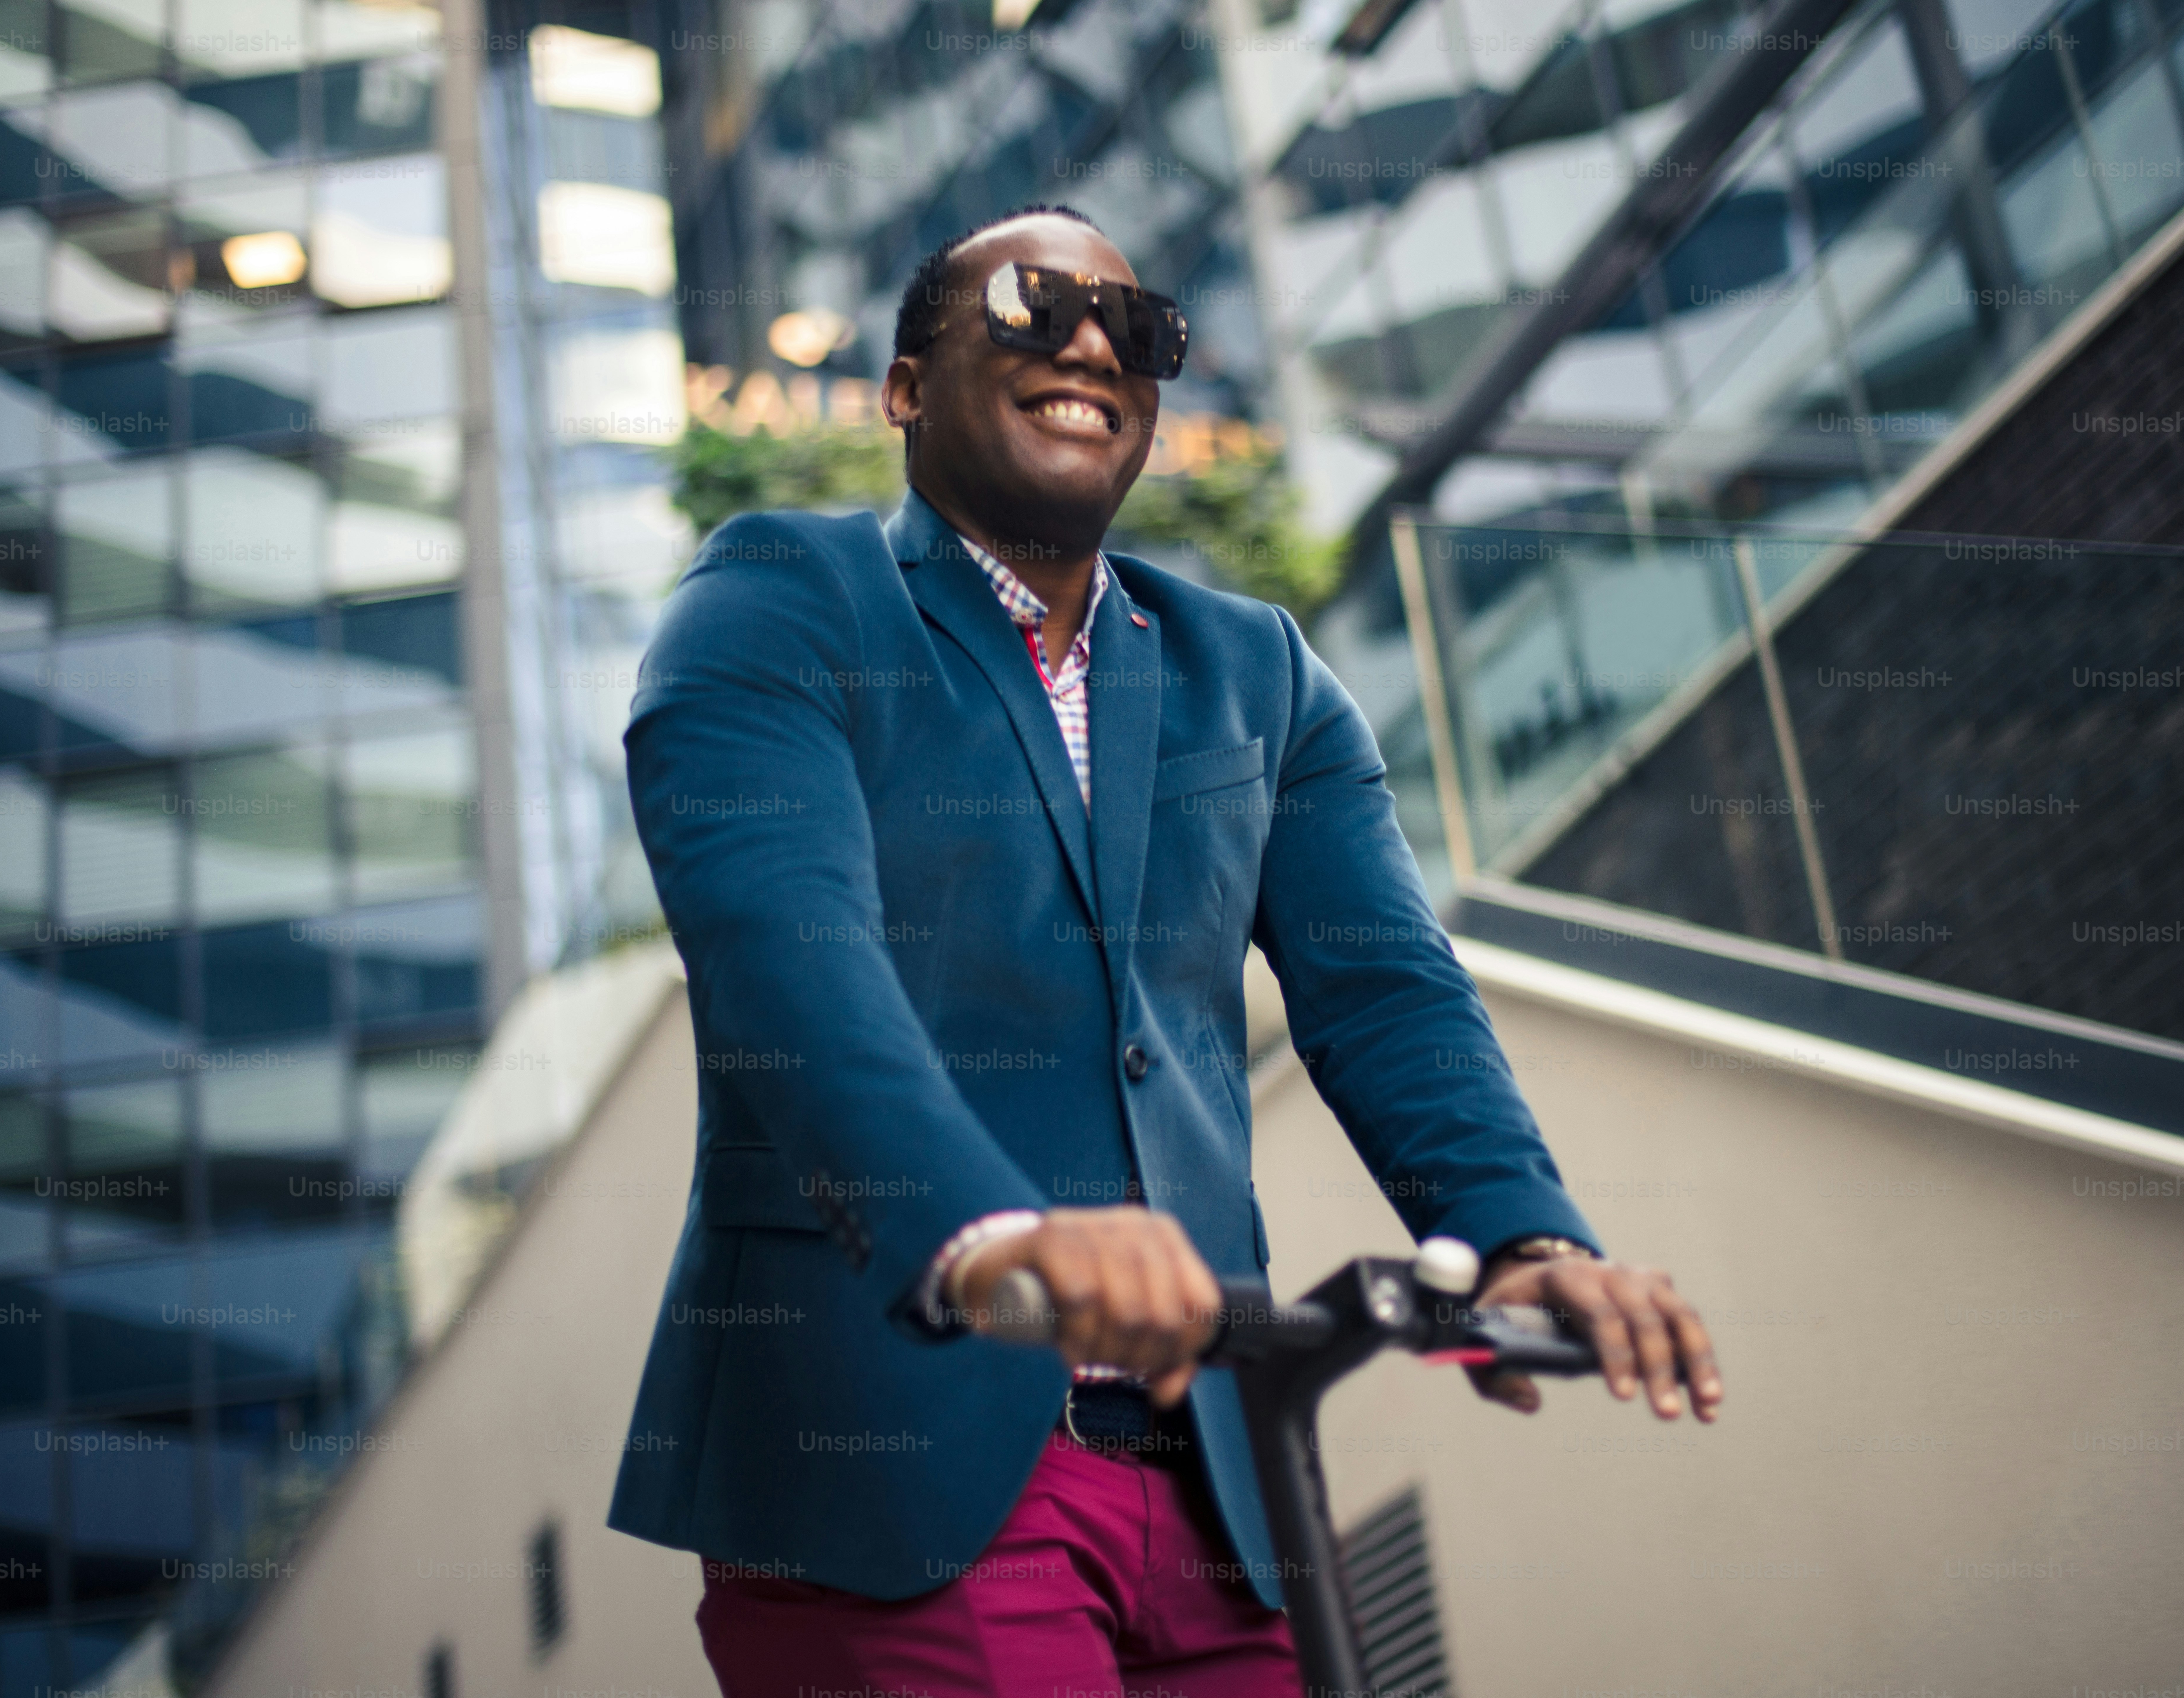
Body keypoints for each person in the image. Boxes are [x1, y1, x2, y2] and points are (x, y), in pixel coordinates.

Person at [609, 204, 1722, 1697]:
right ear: (899, 386)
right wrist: (990, 1232)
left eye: (1136, 330)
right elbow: (784, 956)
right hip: (896, 1466)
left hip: (1220, 1489)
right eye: (1026, 304)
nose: (1087, 342)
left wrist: (1526, 1236)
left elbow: (1387, 992)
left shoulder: (1257, 672)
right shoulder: (776, 598)